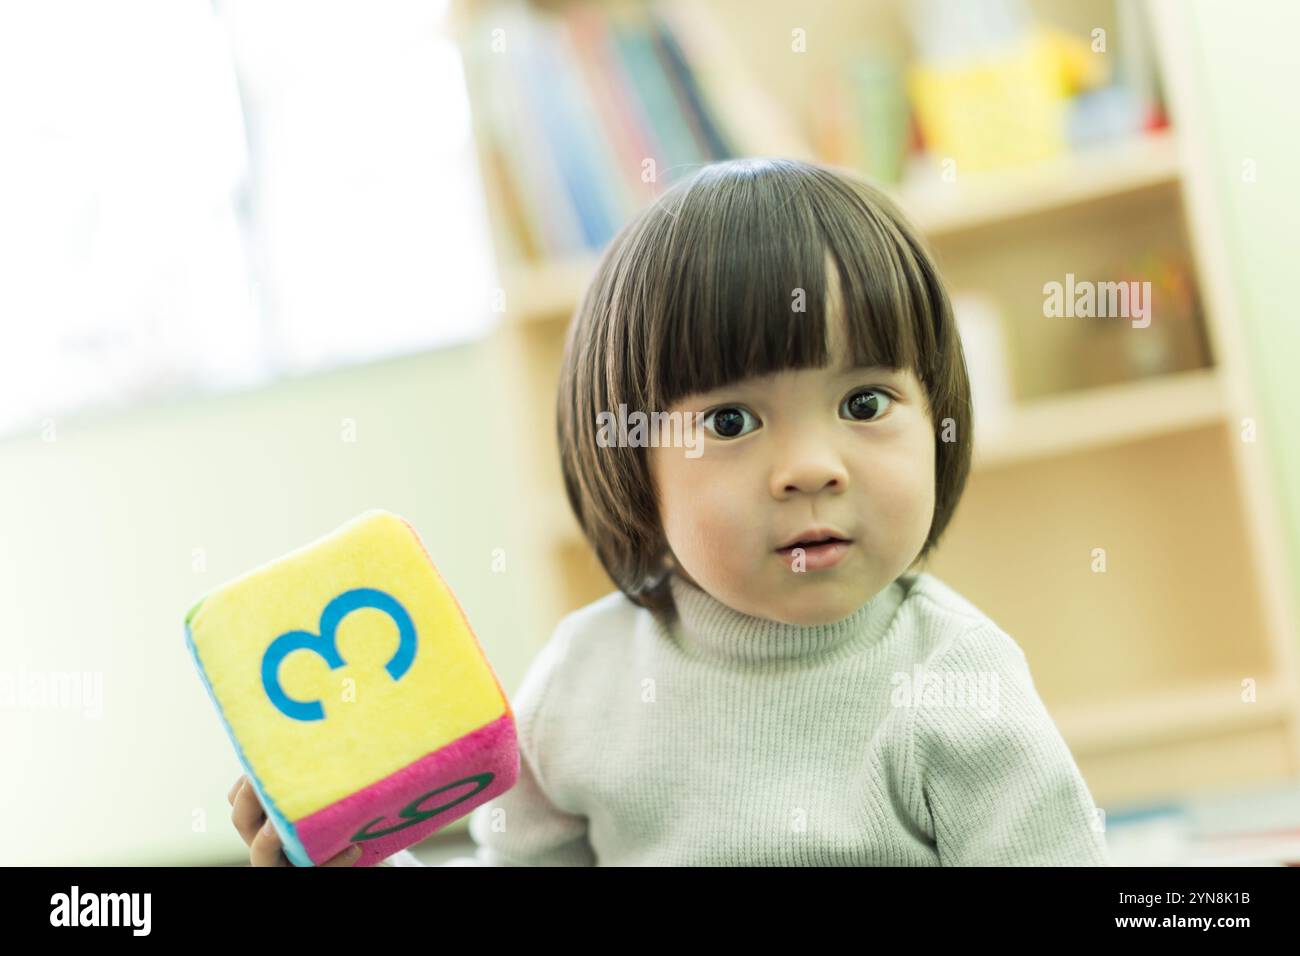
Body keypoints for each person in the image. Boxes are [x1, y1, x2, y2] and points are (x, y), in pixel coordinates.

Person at [233, 157, 1111, 866]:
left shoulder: (958, 681)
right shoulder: (585, 683)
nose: (811, 467)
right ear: (631, 465)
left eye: (866, 402)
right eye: (732, 421)